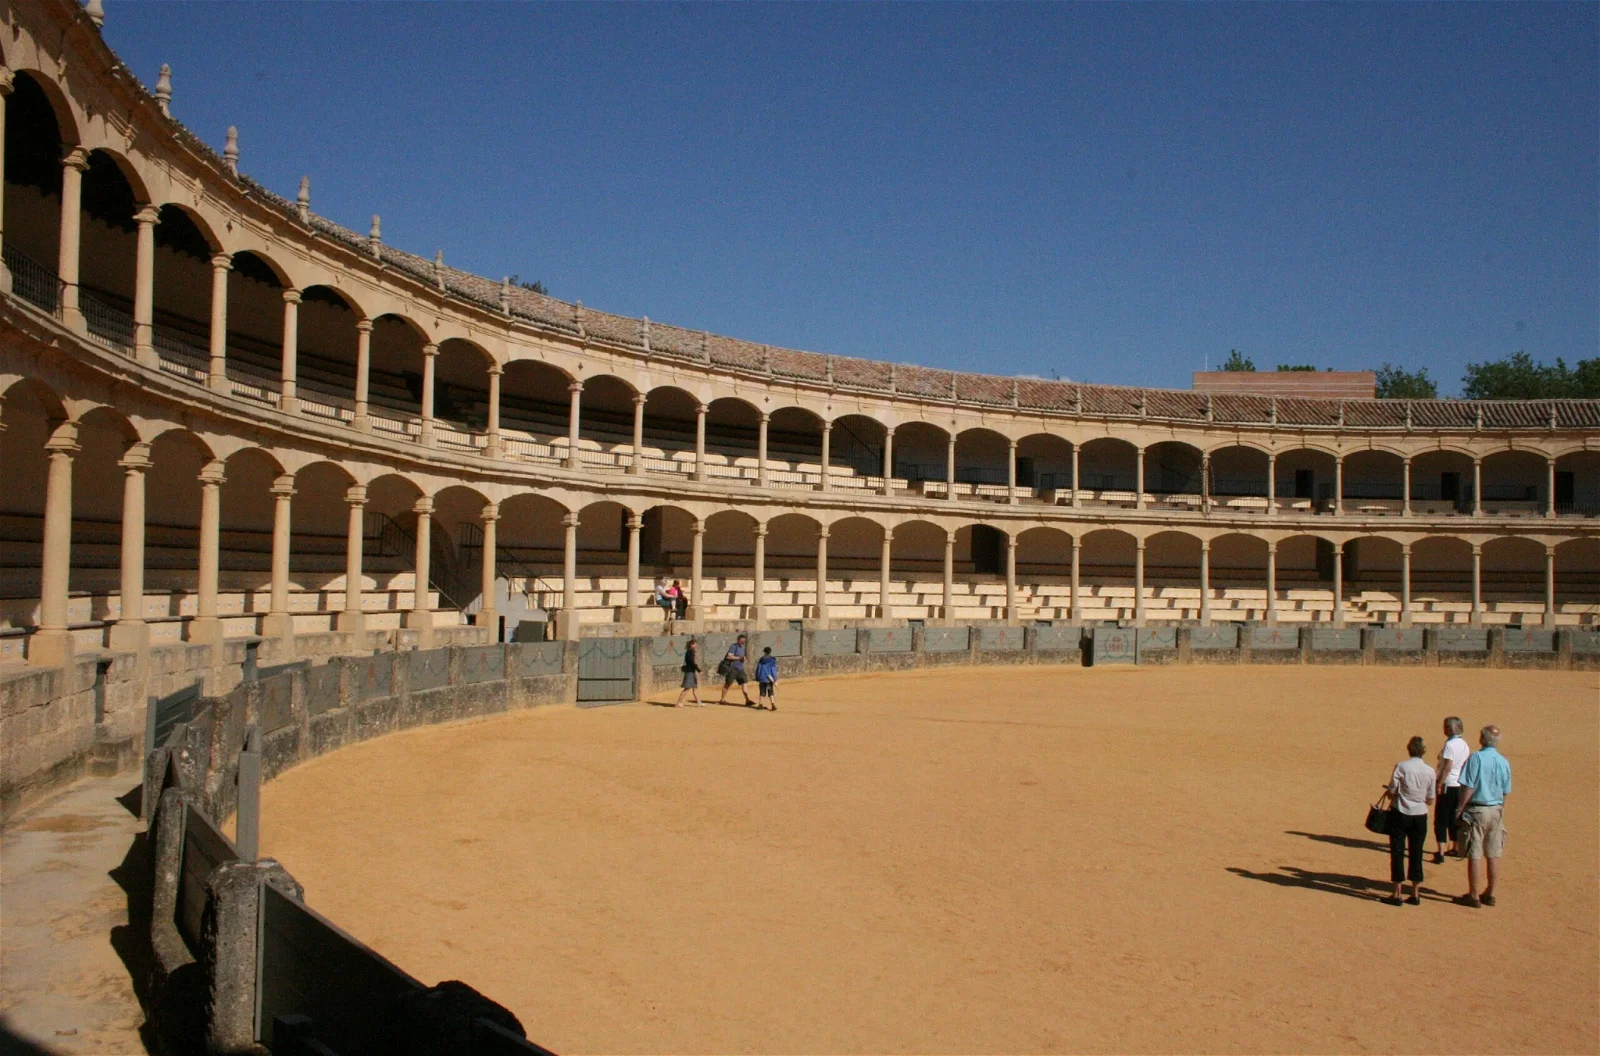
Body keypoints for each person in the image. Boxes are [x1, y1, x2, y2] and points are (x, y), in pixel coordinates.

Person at [1455, 724, 1512, 908]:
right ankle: (1491, 893)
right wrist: (1500, 809)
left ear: (1483, 739)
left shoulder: (1476, 758)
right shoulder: (1503, 761)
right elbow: (1505, 790)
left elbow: (1469, 786)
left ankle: (1473, 895)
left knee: (1474, 853)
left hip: (1477, 810)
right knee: (1494, 853)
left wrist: (1459, 809)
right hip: (1496, 809)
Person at [1386, 735, 1435, 906]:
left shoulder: (1402, 767)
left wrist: (1393, 793)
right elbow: (1430, 800)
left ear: (1409, 750)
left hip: (1400, 812)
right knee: (1417, 852)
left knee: (1398, 852)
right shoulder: (1430, 771)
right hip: (1420, 815)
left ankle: (1397, 893)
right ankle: (1415, 893)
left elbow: (1392, 791)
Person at [1433, 716, 1470, 863]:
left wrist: (1439, 783)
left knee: (1441, 819)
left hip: (1448, 784)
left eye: (1445, 727)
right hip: (1459, 785)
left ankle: (1441, 852)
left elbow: (1447, 767)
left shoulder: (1449, 745)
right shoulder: (1464, 744)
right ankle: (1455, 847)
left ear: (1450, 728)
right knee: (1454, 817)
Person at [717, 634, 754, 706]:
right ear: (738, 640)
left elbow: (742, 657)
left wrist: (743, 658)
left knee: (745, 683)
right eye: (742, 641)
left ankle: (747, 700)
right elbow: (729, 656)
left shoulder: (743, 647)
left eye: (744, 641)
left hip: (740, 669)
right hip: (732, 669)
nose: (743, 642)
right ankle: (722, 699)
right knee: (727, 684)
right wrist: (739, 658)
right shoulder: (734, 646)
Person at [673, 637, 703, 707]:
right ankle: (678, 703)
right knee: (687, 688)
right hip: (690, 672)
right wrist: (699, 670)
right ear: (692, 645)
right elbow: (692, 662)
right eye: (695, 644)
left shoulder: (690, 651)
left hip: (691, 672)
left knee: (694, 688)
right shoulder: (690, 651)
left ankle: (699, 702)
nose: (696, 646)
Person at [755, 646, 779, 710]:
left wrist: (757, 677)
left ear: (764, 652)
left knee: (762, 691)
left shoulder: (761, 659)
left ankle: (760, 704)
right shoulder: (772, 660)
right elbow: (773, 669)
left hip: (762, 678)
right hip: (769, 679)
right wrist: (775, 678)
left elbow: (758, 669)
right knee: (770, 691)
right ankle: (773, 704)